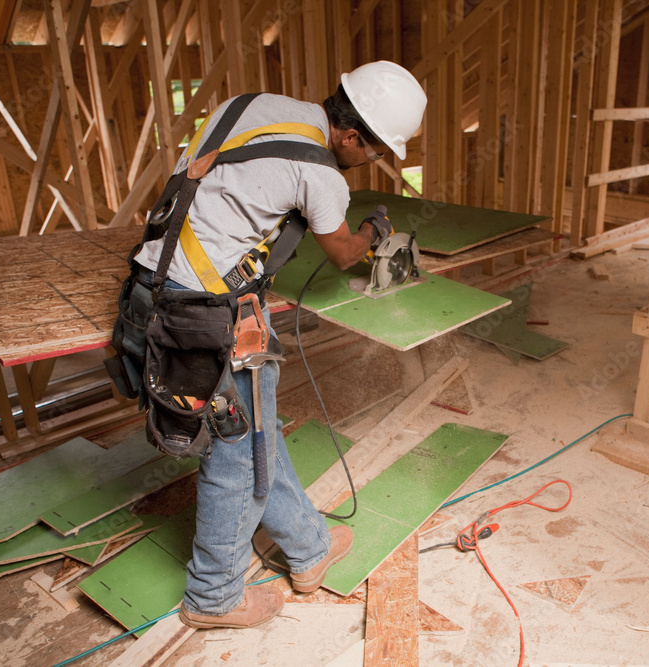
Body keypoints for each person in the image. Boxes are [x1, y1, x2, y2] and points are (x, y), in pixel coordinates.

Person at [132, 61, 427, 630]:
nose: (370, 162)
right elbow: (342, 254)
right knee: (237, 454)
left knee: (257, 429)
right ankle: (212, 595)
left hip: (157, 280)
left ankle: (309, 549)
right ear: (348, 135)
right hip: (208, 311)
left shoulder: (249, 105)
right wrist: (374, 230)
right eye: (373, 151)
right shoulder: (322, 172)